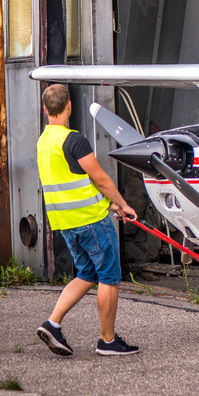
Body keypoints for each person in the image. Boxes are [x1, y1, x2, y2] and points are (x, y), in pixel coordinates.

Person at [35, 84, 140, 357]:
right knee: (108, 275)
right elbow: (100, 178)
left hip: (65, 223)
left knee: (86, 274)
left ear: (46, 110)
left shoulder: (44, 141)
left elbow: (73, 182)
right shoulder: (75, 140)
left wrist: (111, 203)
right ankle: (107, 341)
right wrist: (123, 205)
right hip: (91, 221)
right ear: (69, 106)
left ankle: (52, 323)